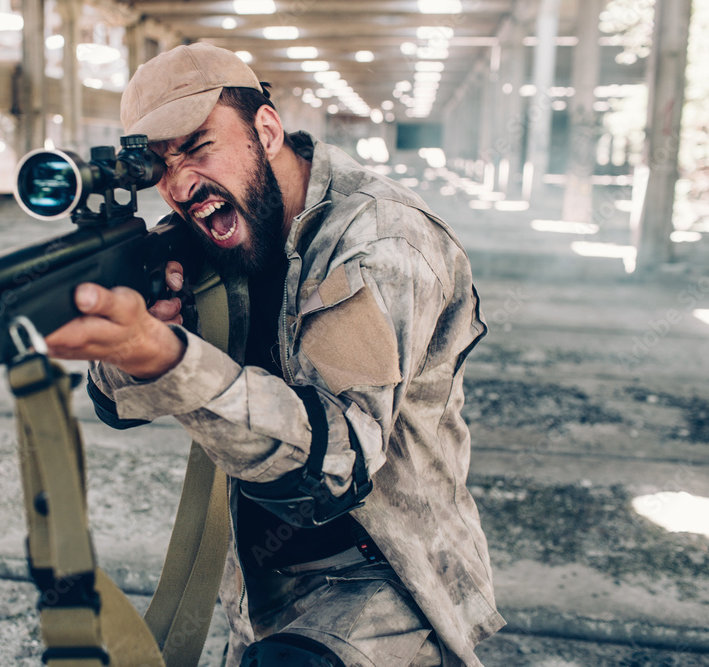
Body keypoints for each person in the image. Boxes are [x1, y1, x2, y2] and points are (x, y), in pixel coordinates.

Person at [46, 42, 505, 667]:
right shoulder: (205, 238)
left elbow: (335, 465)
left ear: (266, 130)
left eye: (198, 146)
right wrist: (132, 339)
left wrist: (170, 360)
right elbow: (113, 404)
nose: (179, 183)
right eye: (157, 164)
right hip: (260, 588)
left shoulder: (379, 240)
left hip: (388, 586)